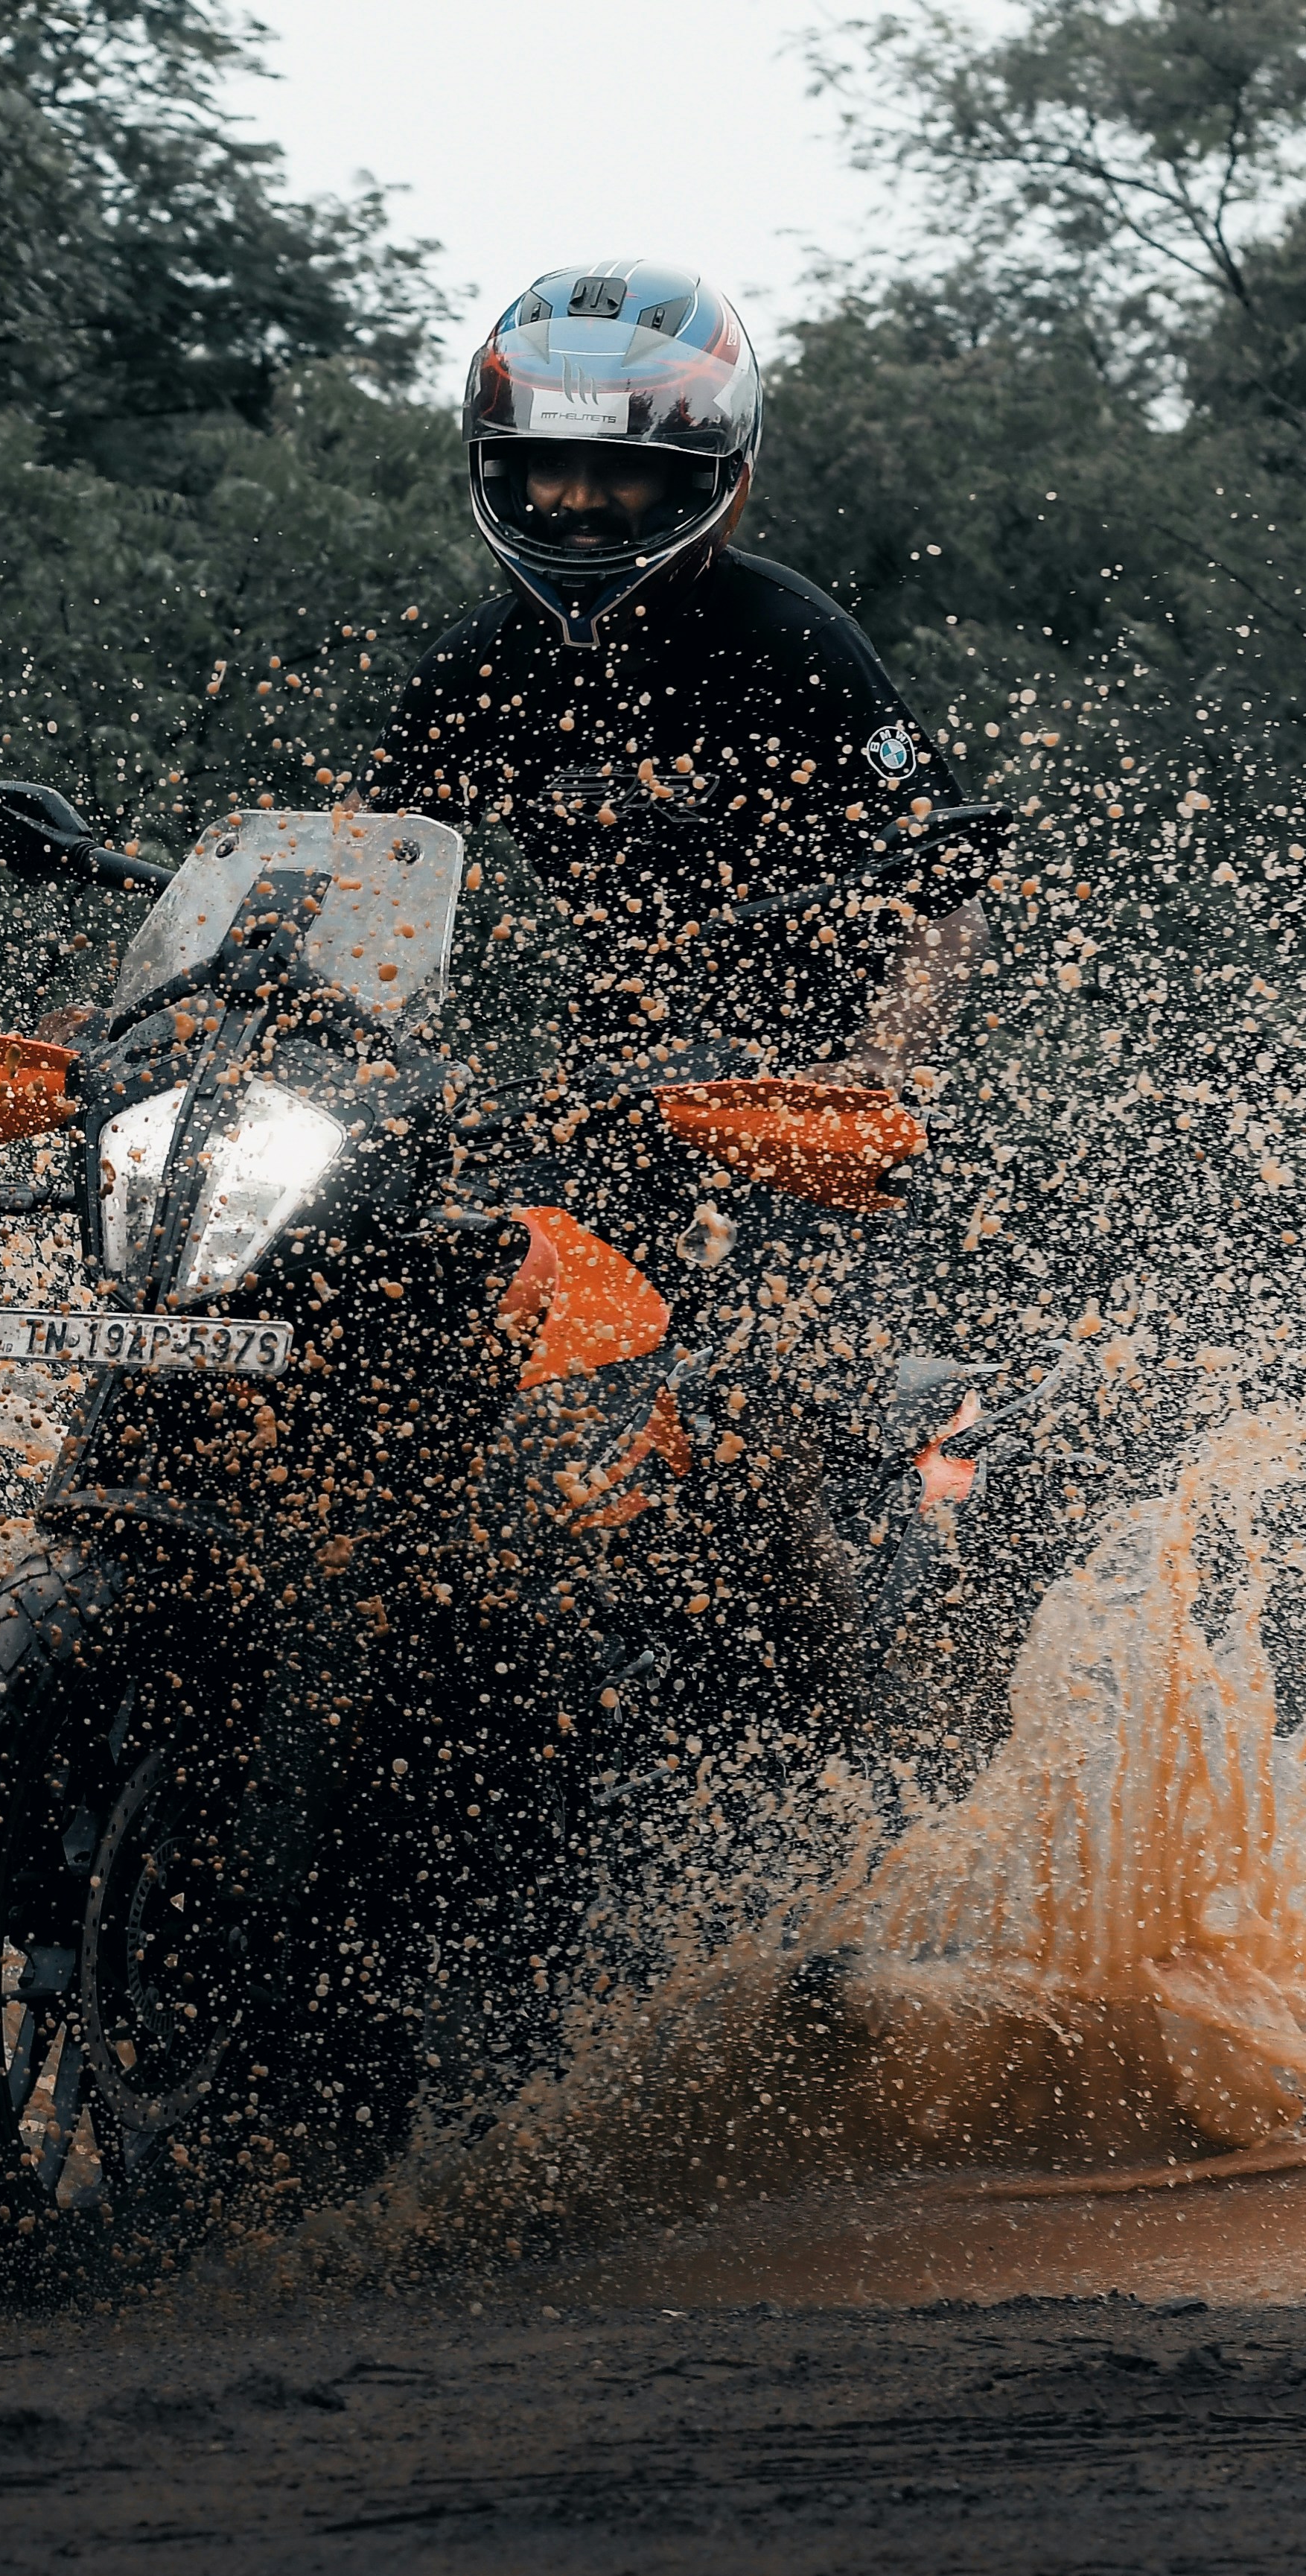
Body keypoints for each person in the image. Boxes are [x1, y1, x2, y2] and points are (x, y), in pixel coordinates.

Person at [371, 258, 1026, 1807]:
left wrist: (874, 1068)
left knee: (752, 1428)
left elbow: (941, 894)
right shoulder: (476, 667)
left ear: (711, 480)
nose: (584, 507)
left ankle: (839, 1761)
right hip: (595, 1077)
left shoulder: (790, 637)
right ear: (499, 470)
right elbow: (366, 880)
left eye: (621, 475)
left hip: (783, 1105)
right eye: (552, 472)